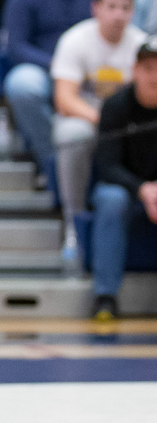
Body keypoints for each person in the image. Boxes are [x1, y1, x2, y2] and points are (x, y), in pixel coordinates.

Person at [2, 0, 106, 186]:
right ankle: (55, 163)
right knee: (21, 84)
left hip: (95, 72)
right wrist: (58, 67)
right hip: (47, 70)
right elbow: (16, 45)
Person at [51, 0, 146, 258]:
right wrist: (102, 119)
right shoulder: (75, 40)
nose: (119, 15)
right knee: (72, 134)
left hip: (129, 127)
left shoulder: (142, 46)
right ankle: (73, 220)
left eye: (126, 8)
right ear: (96, 8)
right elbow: (65, 99)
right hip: (88, 120)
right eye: (112, 6)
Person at [90, 35, 157, 320]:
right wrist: (142, 189)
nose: (155, 76)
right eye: (148, 67)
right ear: (135, 70)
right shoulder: (116, 105)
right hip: (126, 188)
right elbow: (106, 164)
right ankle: (105, 297)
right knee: (110, 198)